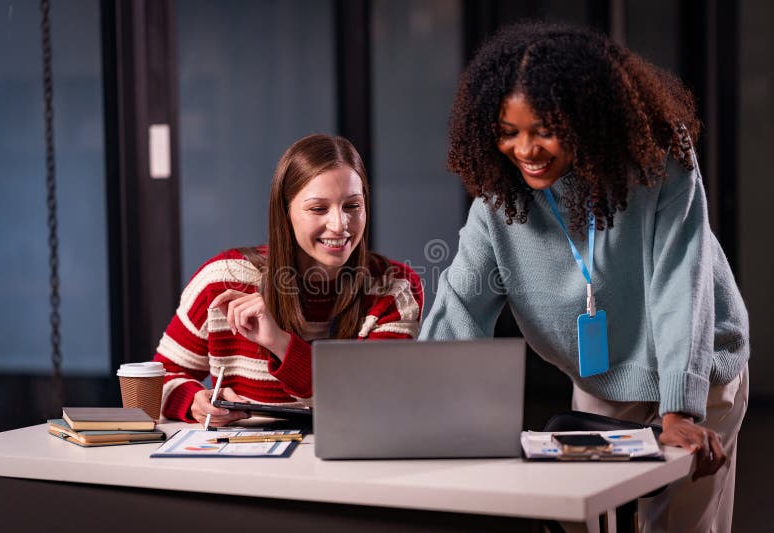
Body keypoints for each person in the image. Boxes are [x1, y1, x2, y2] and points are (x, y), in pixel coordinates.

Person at [419, 22, 748, 532]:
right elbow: (460, 308)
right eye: (509, 133)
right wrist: (418, 407)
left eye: (545, 130)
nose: (526, 150)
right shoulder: (498, 205)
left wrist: (681, 409)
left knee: (678, 527)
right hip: (603, 378)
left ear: (586, 120)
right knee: (583, 520)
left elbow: (681, 282)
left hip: (698, 373)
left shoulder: (659, 161)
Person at [154, 134, 423, 427]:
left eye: (352, 206)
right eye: (318, 209)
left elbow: (371, 401)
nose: (339, 225)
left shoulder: (395, 287)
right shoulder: (224, 279)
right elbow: (160, 377)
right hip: (248, 466)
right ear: (285, 213)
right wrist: (195, 401)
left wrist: (280, 343)